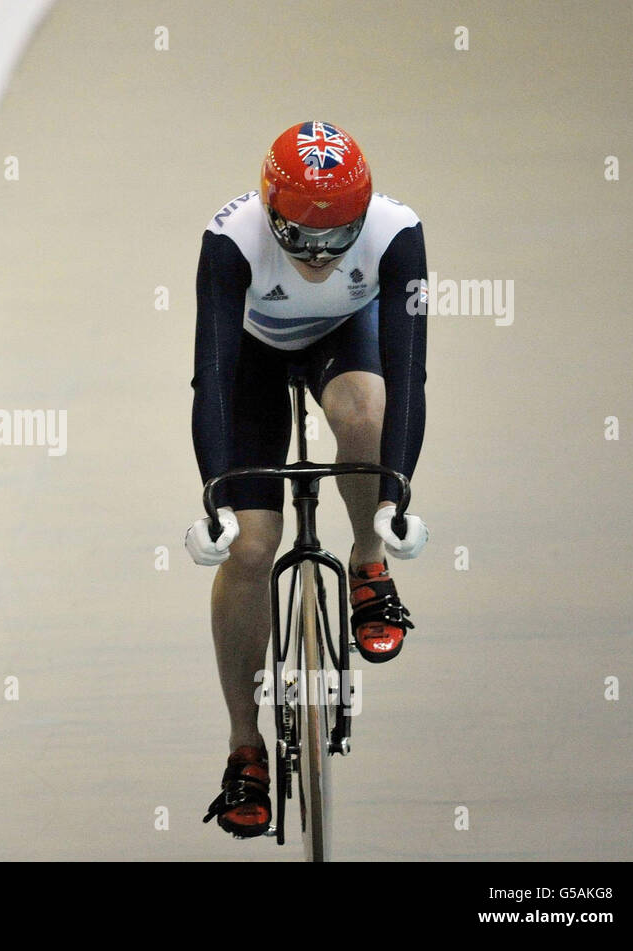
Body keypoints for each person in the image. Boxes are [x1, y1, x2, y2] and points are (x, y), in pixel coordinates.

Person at [185, 121, 430, 838]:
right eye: (301, 241)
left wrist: (396, 497)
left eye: (337, 240)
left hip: (345, 337)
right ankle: (244, 743)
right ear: (270, 216)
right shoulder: (231, 240)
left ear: (364, 215)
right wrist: (214, 501)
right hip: (253, 360)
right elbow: (213, 377)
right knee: (252, 548)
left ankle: (368, 561)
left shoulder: (398, 232)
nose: (320, 258)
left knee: (364, 407)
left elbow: (408, 373)